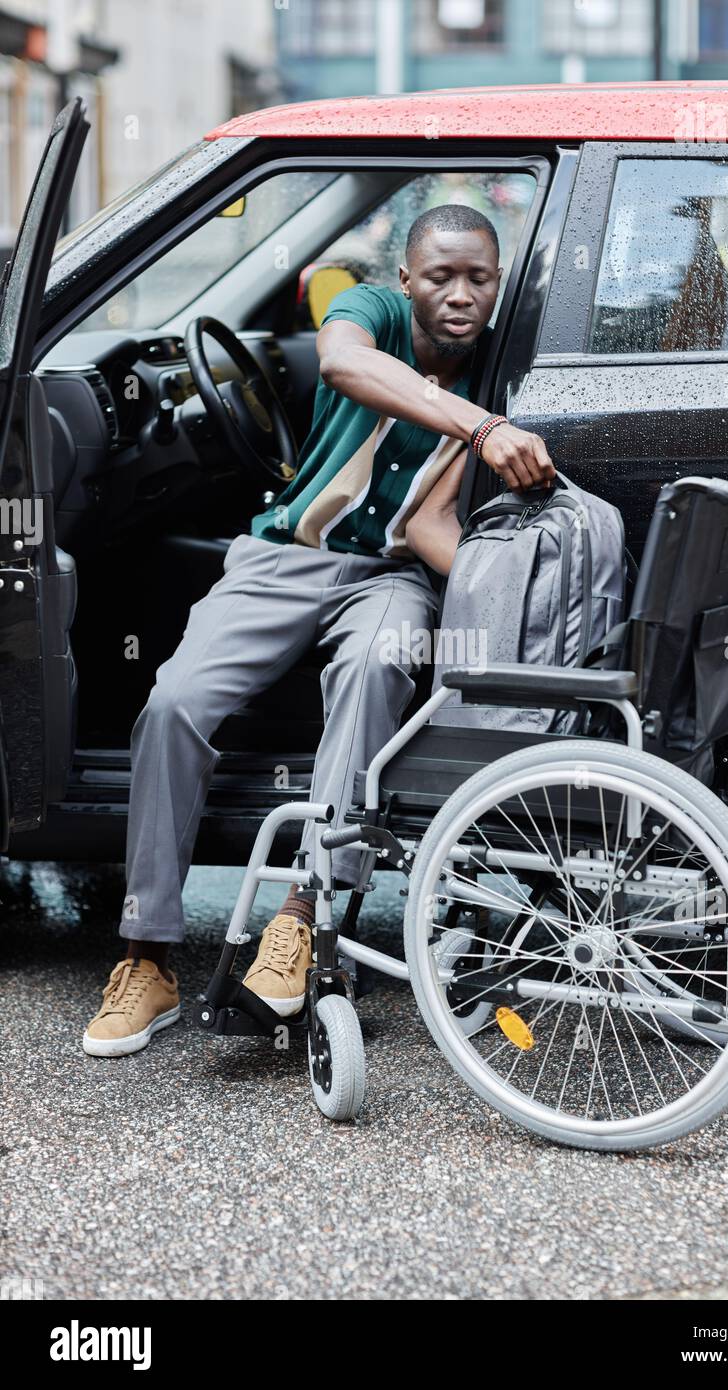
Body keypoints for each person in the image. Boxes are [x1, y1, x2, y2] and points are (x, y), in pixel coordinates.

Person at [82, 202, 554, 1056]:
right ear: (407, 279)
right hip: (284, 559)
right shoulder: (371, 312)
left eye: (478, 278)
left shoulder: (504, 362)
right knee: (173, 704)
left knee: (379, 669)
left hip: (393, 574)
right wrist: (480, 427)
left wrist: (515, 596)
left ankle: (304, 916)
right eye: (440, 275)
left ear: (497, 284)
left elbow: (427, 529)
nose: (459, 293)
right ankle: (146, 956)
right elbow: (339, 363)